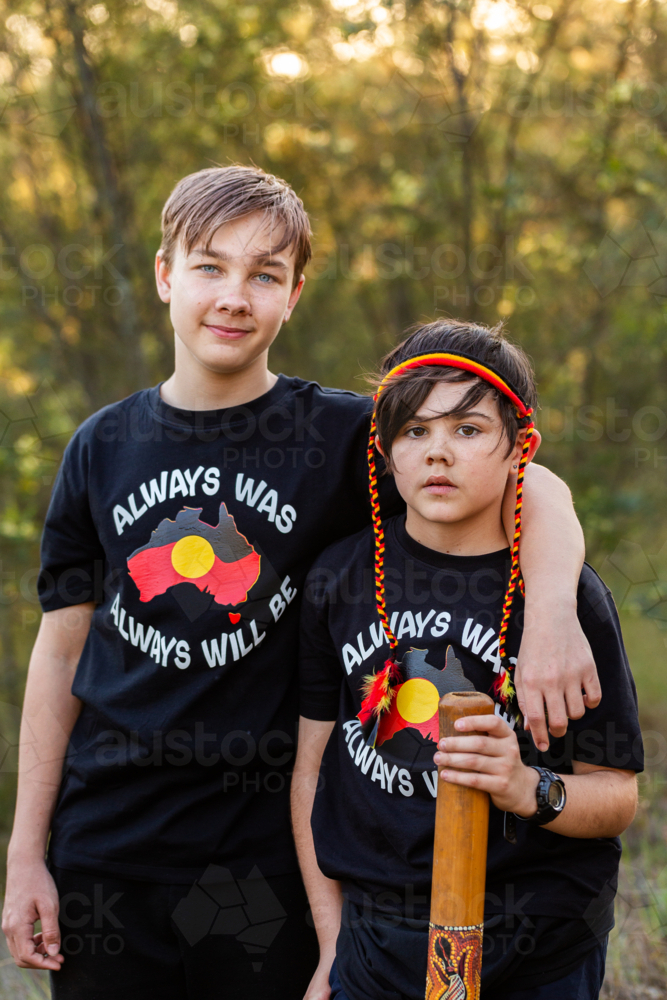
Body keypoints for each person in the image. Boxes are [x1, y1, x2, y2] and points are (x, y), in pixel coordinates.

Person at [3, 167, 598, 999]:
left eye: (265, 274)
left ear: (294, 294)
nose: (233, 296)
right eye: (209, 265)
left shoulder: (342, 435)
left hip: (268, 862)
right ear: (164, 274)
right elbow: (60, 654)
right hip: (107, 852)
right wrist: (26, 853)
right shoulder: (101, 447)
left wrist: (551, 618)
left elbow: (530, 482)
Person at [293, 319, 642, 1000]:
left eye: (467, 429)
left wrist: (525, 788)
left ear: (520, 447)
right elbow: (311, 770)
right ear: (386, 448)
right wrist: (331, 943)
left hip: (537, 944)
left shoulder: (565, 600)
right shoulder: (338, 578)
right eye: (415, 431)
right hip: (379, 939)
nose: (437, 454)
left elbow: (617, 794)